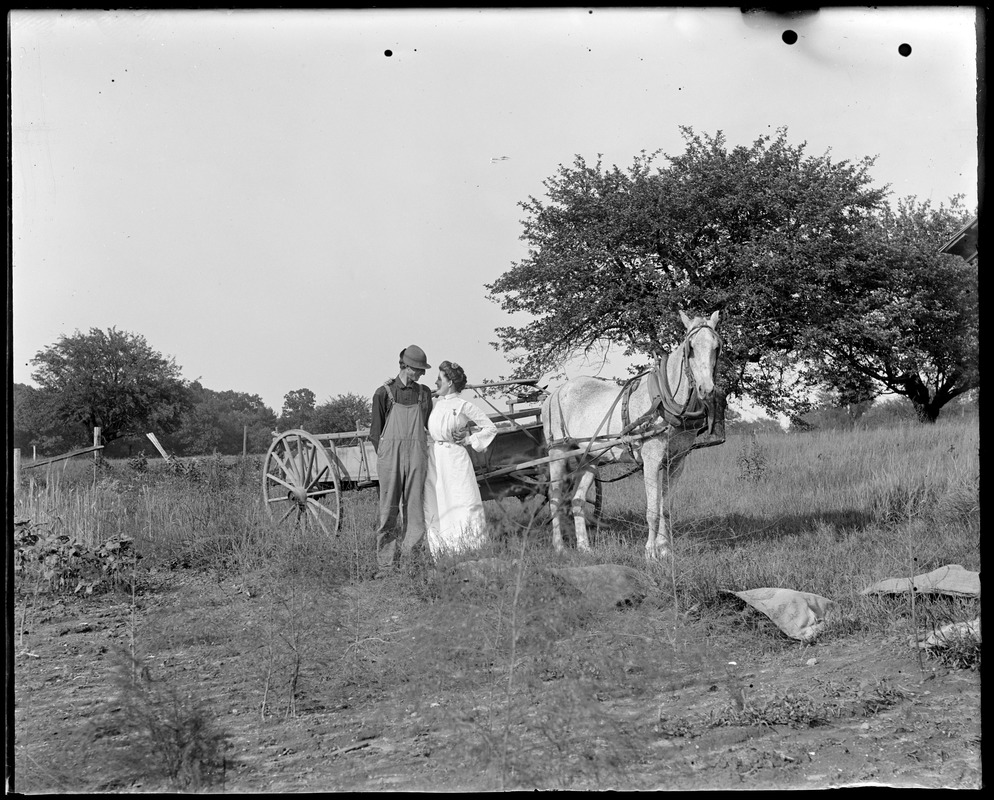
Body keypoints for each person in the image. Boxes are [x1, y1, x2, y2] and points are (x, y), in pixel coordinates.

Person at [369, 345, 434, 577]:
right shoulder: (383, 393)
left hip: (417, 454)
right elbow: (376, 433)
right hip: (390, 457)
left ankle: (411, 564)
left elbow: (429, 425)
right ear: (405, 367)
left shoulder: (424, 394)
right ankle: (386, 566)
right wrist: (388, 456)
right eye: (418, 370)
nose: (421, 375)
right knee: (389, 510)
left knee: (415, 509)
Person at [423, 361, 497, 557]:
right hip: (436, 460)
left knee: (462, 501)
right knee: (438, 502)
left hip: (456, 460)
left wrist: (468, 439)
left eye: (440, 379)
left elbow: (490, 427)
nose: (436, 382)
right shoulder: (435, 404)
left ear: (450, 383)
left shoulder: (464, 405)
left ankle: (470, 549)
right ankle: (441, 552)